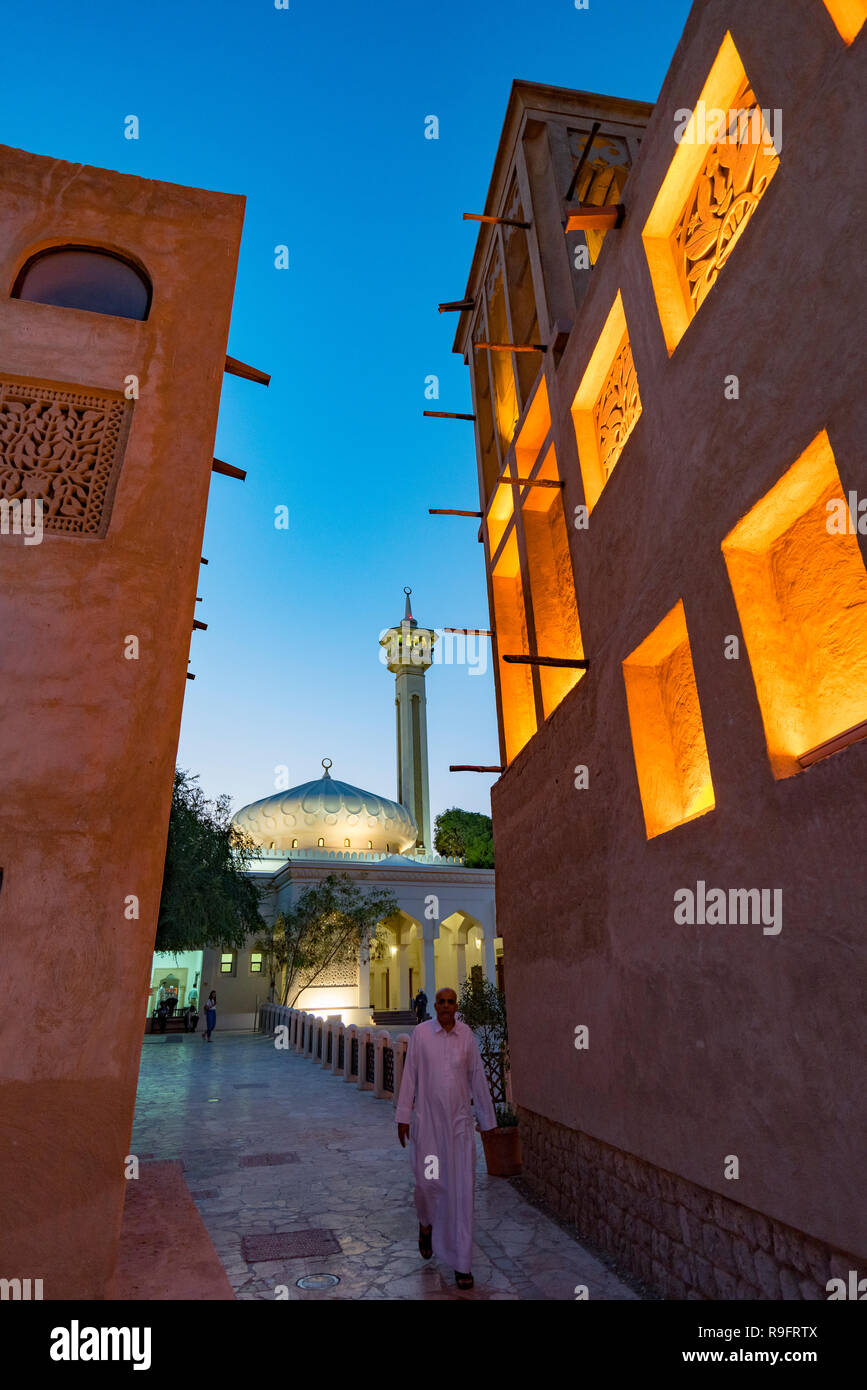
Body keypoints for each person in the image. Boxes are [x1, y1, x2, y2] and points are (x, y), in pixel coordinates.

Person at [395, 986, 497, 1290]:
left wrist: (487, 1120)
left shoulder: (466, 1036)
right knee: (428, 1185)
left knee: (462, 1194)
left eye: (451, 1002)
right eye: (441, 1002)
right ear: (433, 1005)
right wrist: (403, 1115)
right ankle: (425, 1223)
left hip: (459, 1131)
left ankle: (461, 1263)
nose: (446, 1006)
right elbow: (410, 1075)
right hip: (428, 1130)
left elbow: (477, 1076)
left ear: (456, 1006)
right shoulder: (422, 1035)